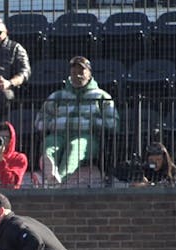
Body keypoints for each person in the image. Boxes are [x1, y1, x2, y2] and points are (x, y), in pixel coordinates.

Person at [35, 56, 119, 186]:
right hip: (59, 134)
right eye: (74, 72)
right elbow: (40, 121)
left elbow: (113, 123)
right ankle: (50, 170)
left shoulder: (102, 96)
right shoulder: (57, 96)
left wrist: (92, 123)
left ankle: (58, 180)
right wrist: (54, 123)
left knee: (75, 147)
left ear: (89, 73)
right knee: (50, 145)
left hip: (87, 137)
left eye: (82, 71)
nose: (78, 75)